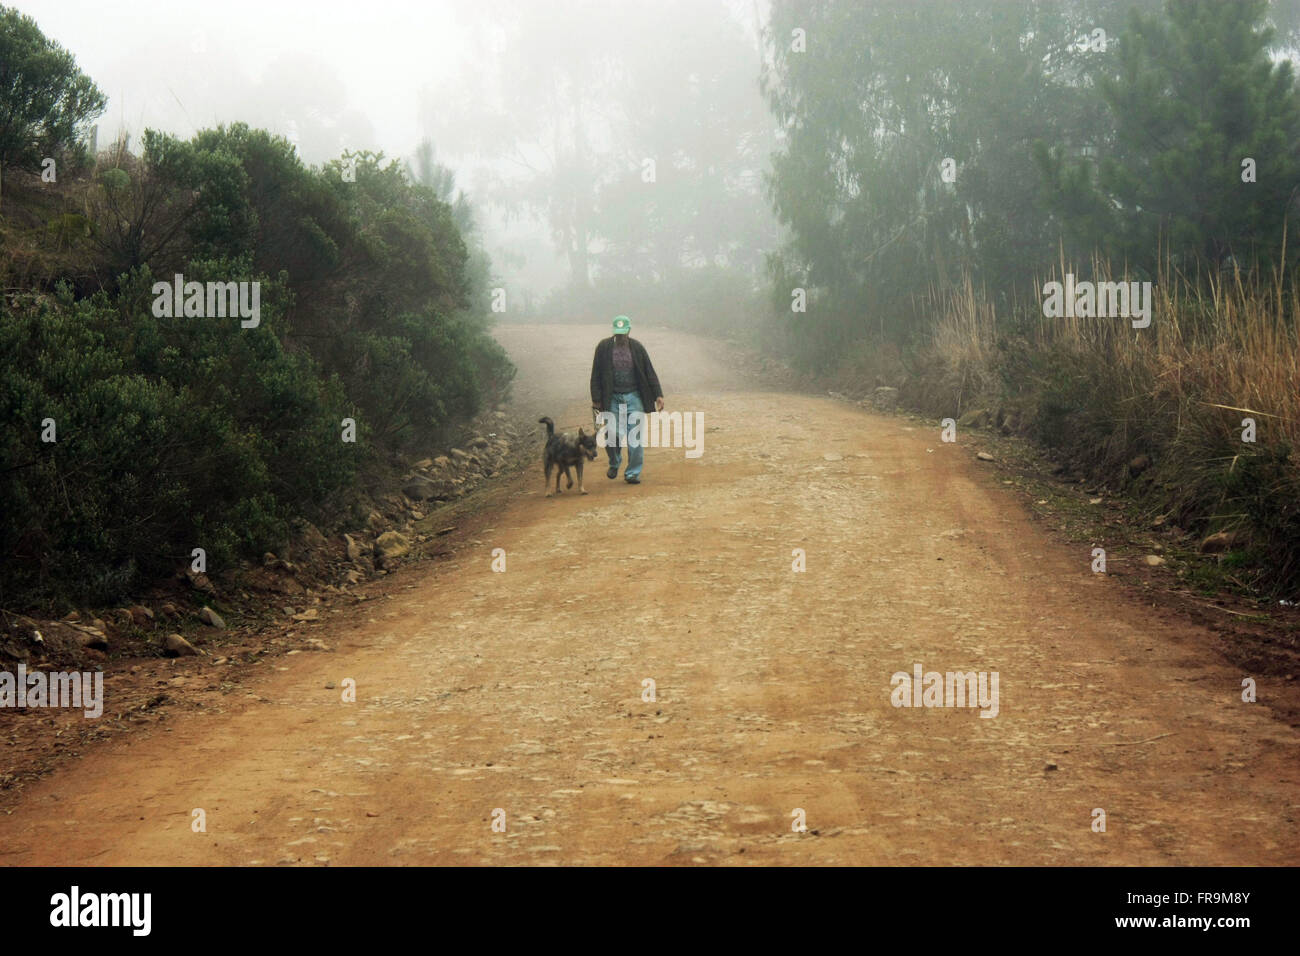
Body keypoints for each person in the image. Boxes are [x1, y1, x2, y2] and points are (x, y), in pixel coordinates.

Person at [590, 315, 664, 484]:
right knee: (612, 434)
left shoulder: (637, 348)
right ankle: (615, 461)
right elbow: (596, 374)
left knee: (635, 437)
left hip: (634, 396)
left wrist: (658, 394)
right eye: (618, 334)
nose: (621, 337)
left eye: (624, 333)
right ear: (614, 332)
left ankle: (632, 473)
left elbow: (649, 371)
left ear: (629, 331)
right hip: (612, 397)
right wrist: (596, 398)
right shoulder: (603, 347)